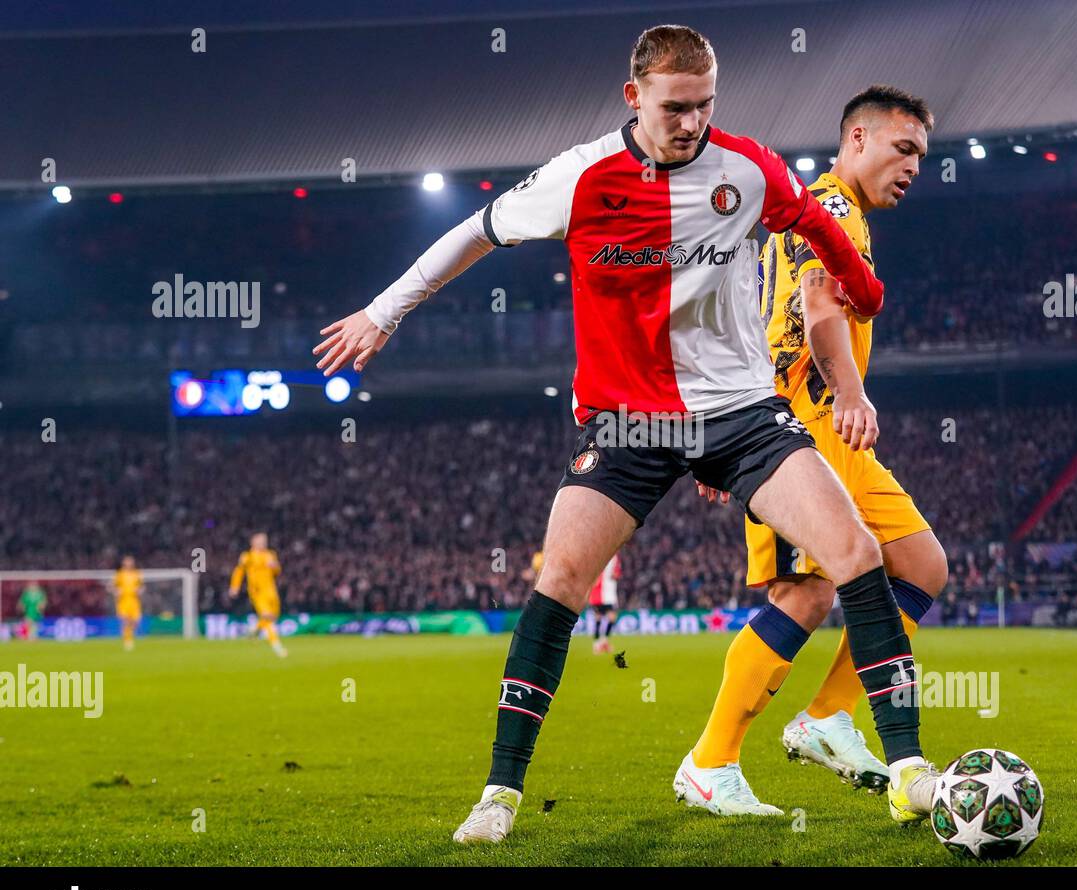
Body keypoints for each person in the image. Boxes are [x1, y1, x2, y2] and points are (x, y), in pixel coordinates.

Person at [316, 24, 944, 846]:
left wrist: (865, 285)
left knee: (857, 555)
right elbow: (475, 233)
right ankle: (499, 795)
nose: (691, 122)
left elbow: (817, 230)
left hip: (742, 416)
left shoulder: (748, 166)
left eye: (705, 105)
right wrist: (381, 312)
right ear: (634, 97)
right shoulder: (579, 177)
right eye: (676, 106)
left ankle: (908, 769)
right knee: (561, 582)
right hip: (627, 420)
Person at [679, 86, 946, 816]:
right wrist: (852, 394)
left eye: (921, 154)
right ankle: (710, 761)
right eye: (904, 148)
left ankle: (827, 715)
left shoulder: (840, 213)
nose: (915, 165)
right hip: (797, 431)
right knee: (806, 593)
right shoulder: (827, 209)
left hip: (827, 431)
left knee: (921, 563)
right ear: (857, 138)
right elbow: (818, 306)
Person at [229, 533, 288, 657]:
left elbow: (277, 571)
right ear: (253, 542)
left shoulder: (270, 554)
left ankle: (254, 630)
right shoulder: (247, 556)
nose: (263, 543)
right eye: (260, 541)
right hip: (257, 592)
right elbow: (239, 571)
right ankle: (277, 646)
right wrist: (235, 586)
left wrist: (275, 566)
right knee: (267, 617)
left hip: (271, 591)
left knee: (273, 616)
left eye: (264, 541)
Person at [587, 554, 621, 654]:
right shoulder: (602, 556)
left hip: (608, 594)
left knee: (609, 618)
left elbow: (616, 573)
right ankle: (598, 644)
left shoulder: (614, 558)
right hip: (600, 594)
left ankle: (603, 642)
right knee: (599, 618)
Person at [112, 556, 143, 651]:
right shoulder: (119, 574)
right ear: (124, 563)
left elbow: (141, 586)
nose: (129, 563)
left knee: (136, 621)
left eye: (130, 561)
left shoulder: (137, 574)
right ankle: (127, 641)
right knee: (126, 621)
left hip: (134, 600)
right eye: (127, 561)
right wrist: (117, 592)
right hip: (124, 600)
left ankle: (129, 636)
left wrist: (140, 590)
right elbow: (113, 587)